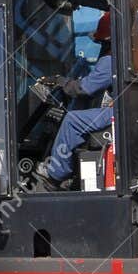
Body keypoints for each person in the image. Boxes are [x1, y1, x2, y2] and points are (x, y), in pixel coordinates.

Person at [37, 11, 114, 190]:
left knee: (73, 120)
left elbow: (84, 89)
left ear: (109, 41)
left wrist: (62, 82)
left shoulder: (110, 61)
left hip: (117, 113)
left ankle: (56, 175)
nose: (101, 47)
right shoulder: (127, 57)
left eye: (102, 43)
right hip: (124, 110)